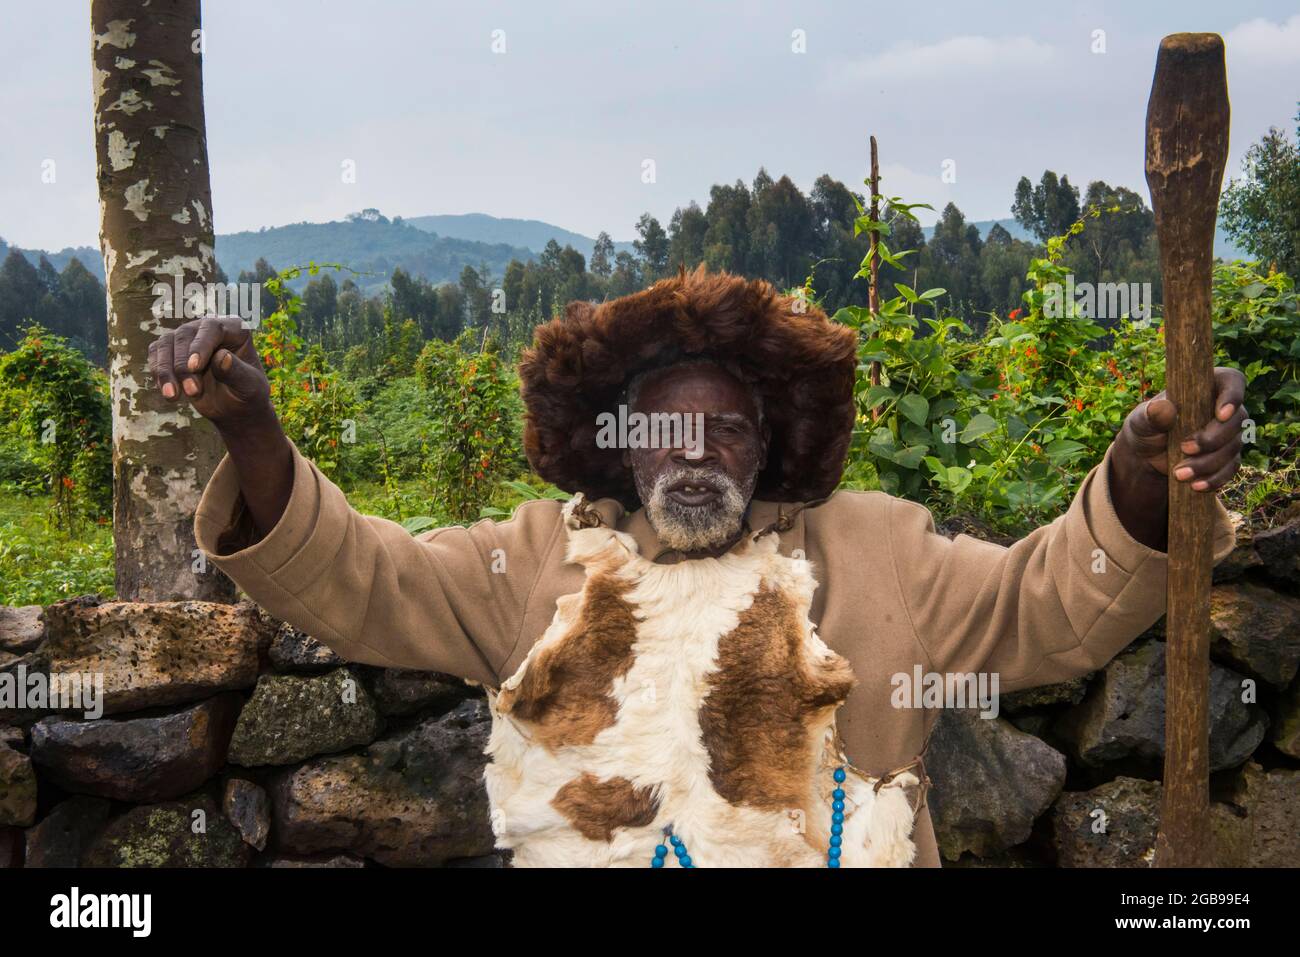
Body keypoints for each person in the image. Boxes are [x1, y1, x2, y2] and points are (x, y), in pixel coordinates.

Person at [148, 267, 1244, 867]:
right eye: (664, 429)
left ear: (767, 445)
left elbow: (1050, 605)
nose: (693, 454)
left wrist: (1143, 472)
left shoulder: (879, 550)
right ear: (618, 445)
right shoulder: (530, 563)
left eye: (724, 429)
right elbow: (363, 579)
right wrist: (254, 436)